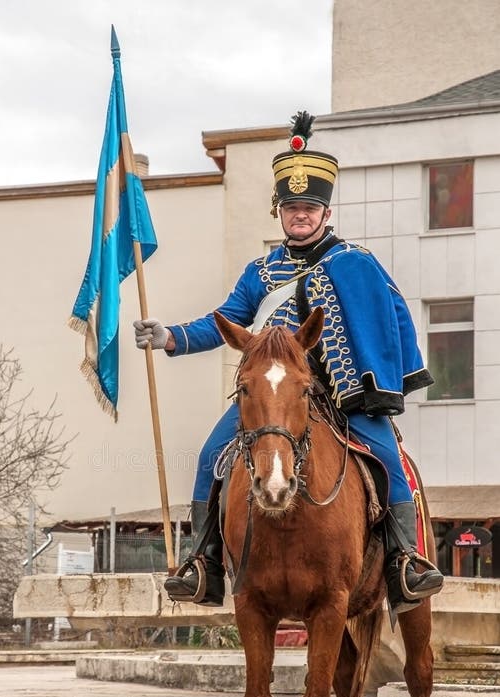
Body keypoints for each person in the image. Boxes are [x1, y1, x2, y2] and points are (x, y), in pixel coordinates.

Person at [133, 110, 444, 615]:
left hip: (341, 394)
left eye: (310, 207)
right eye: (292, 207)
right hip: (272, 394)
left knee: (390, 463)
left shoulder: (354, 262)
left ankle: (403, 563)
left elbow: (387, 321)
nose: (300, 215)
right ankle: (204, 564)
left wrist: (372, 384)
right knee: (211, 457)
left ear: (325, 211)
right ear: (279, 211)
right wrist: (171, 336)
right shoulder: (261, 271)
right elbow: (224, 322)